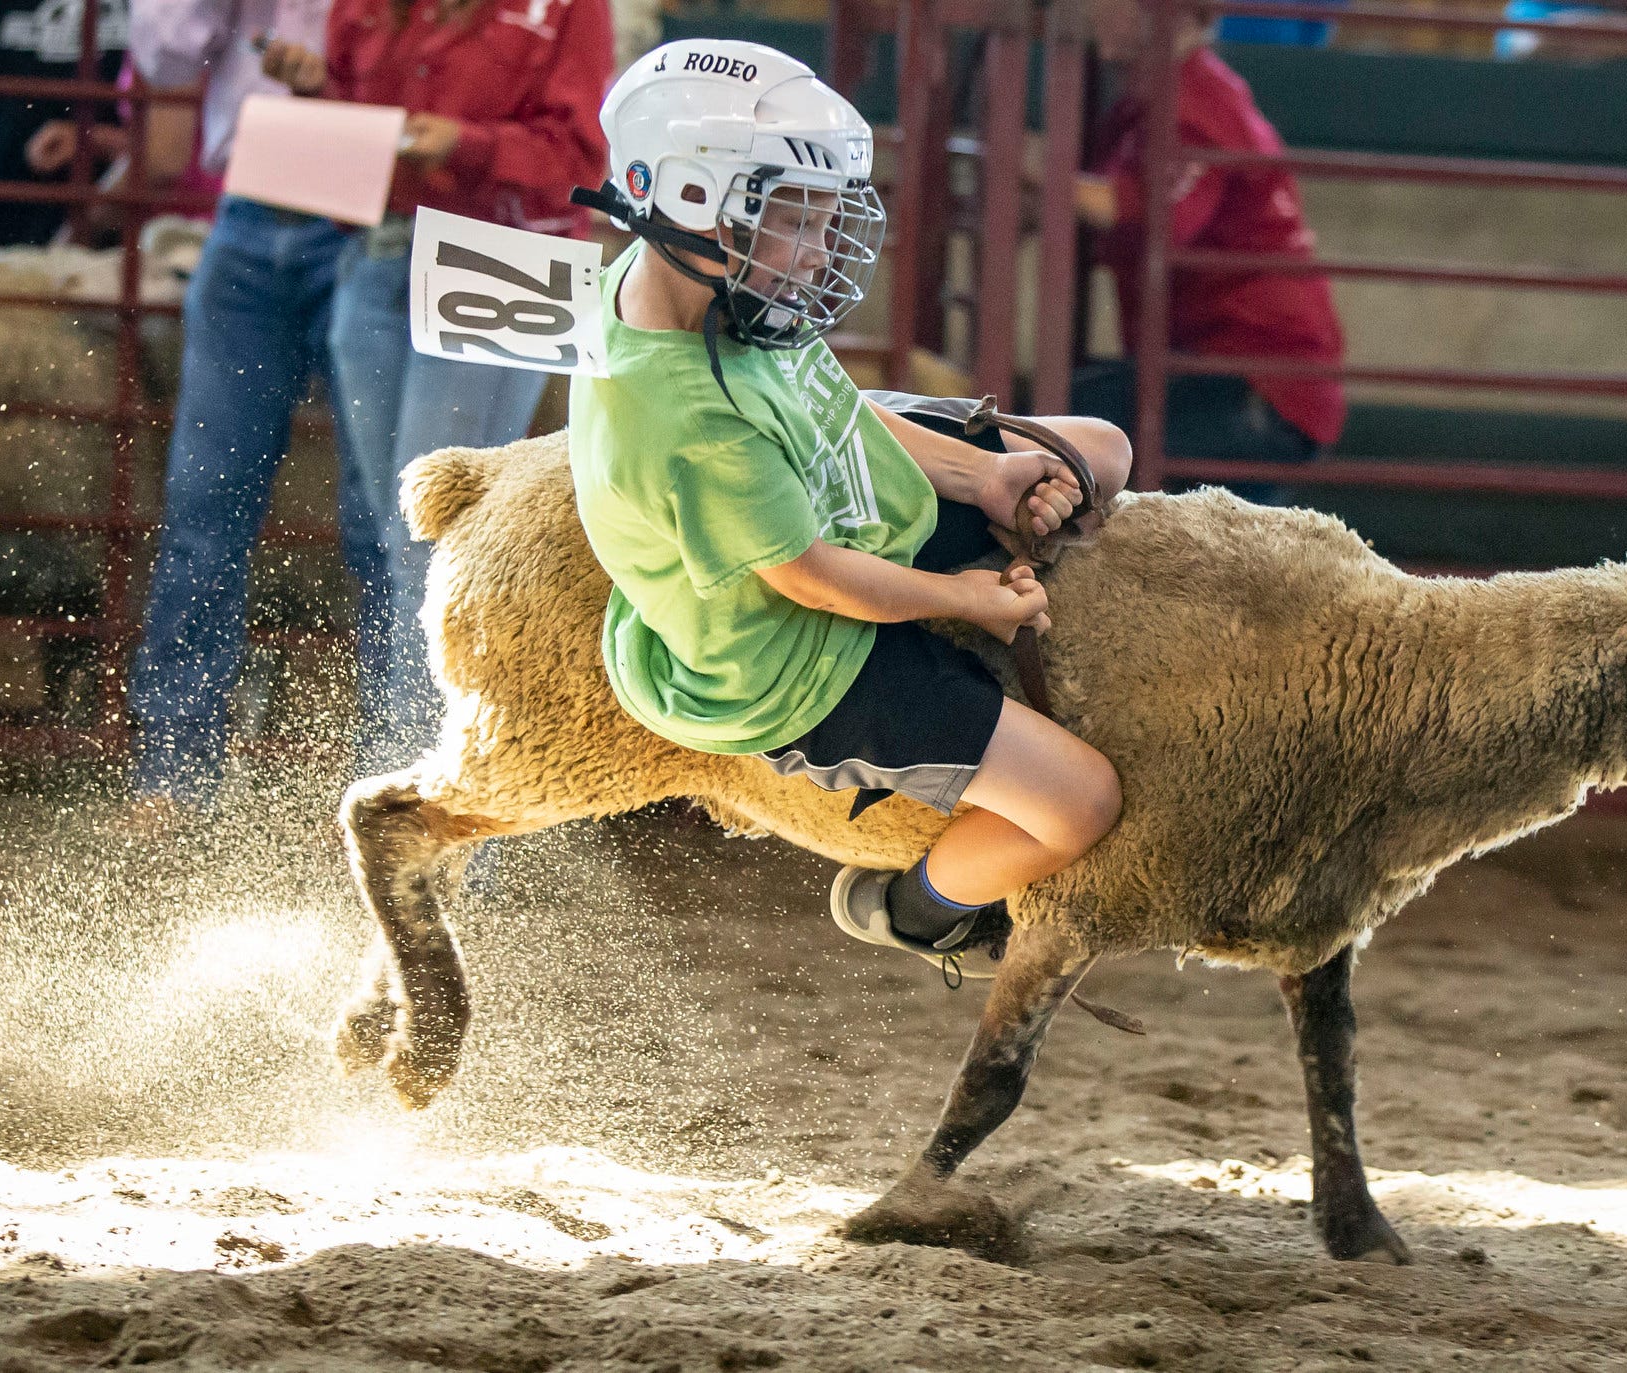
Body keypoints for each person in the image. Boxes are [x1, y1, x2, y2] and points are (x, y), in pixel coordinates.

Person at [568, 40, 1131, 978]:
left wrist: (981, 478)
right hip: (796, 658)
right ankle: (915, 910)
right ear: (688, 197)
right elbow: (813, 581)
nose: (822, 251)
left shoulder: (723, 285)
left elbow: (828, 413)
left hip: (848, 517)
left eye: (826, 220)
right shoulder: (681, 414)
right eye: (794, 218)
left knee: (1100, 449)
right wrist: (969, 601)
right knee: (1082, 802)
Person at [264, 0, 616, 771]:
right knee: (402, 534)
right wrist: (321, 93)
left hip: (507, 257)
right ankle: (418, 775)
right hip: (391, 249)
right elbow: (358, 134)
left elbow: (582, 159)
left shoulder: (570, 8)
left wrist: (465, 142)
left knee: (439, 537)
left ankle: (433, 787)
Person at [123, 0, 395, 815]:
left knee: (381, 521)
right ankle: (173, 772)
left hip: (373, 207)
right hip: (256, 202)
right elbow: (168, 50)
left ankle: (393, 787)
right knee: (205, 506)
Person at [1068, 0, 1346, 506]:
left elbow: (1145, 209)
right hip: (1240, 374)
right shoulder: (1165, 96)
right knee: (1070, 419)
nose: (1091, 8)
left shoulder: (1192, 103)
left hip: (1256, 384)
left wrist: (1025, 178)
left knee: (1065, 427)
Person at [0, 0, 129, 248]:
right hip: (9, 243)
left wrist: (97, 141)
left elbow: (175, 144)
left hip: (130, 255)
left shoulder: (160, 9)